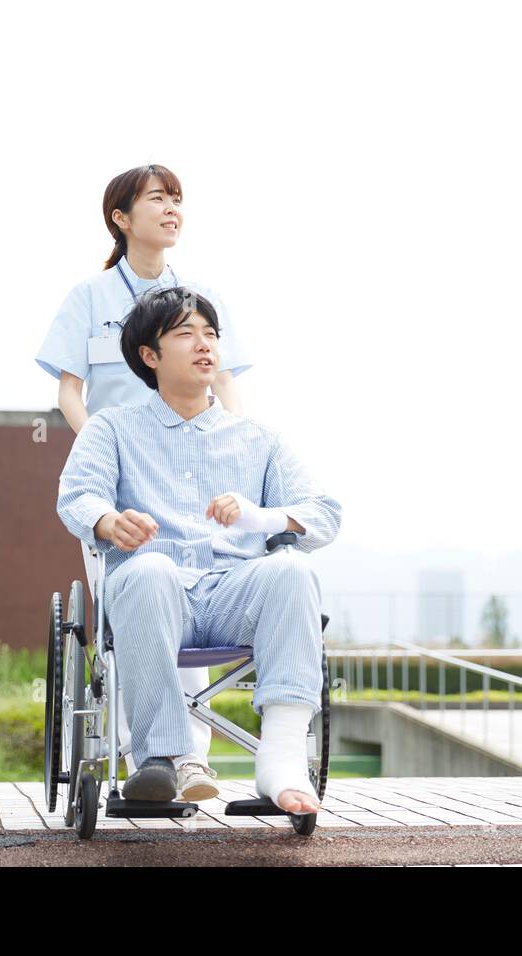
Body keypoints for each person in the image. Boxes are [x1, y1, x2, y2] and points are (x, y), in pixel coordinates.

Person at [55, 286, 341, 812]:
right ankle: (165, 760)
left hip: (233, 594)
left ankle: (280, 761)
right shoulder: (111, 428)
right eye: (186, 333)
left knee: (292, 570)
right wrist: (110, 521)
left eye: (210, 333)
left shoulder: (260, 439)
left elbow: (325, 513)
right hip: (154, 595)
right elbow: (76, 495)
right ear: (149, 355)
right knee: (149, 569)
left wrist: (262, 518)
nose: (204, 343)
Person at [36, 164, 252, 802]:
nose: (172, 209)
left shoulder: (200, 296)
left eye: (178, 199)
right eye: (157, 198)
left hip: (198, 473)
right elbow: (68, 391)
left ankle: (189, 764)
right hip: (120, 481)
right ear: (121, 218)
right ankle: (147, 759)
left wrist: (235, 453)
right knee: (139, 603)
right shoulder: (90, 297)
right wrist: (102, 460)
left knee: (194, 597)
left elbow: (228, 381)